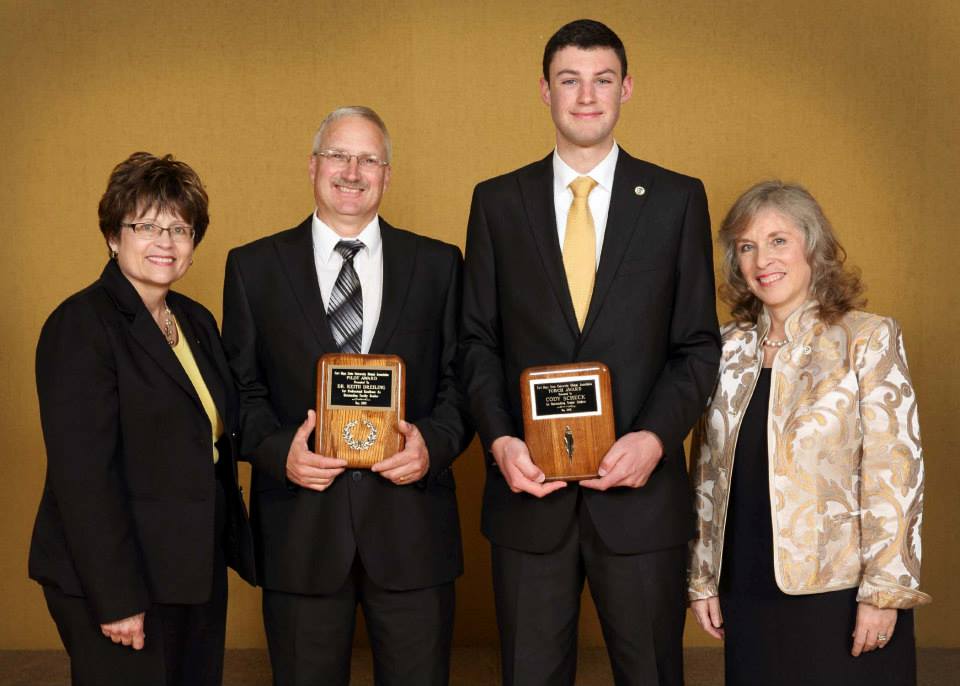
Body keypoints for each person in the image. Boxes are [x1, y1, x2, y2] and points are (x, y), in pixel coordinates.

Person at [459, 19, 720, 686]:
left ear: (626, 88)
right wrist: (500, 444)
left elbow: (696, 346)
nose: (586, 96)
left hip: (640, 502)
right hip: (529, 498)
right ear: (543, 91)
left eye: (602, 80)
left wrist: (657, 440)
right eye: (569, 81)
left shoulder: (676, 200)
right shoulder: (496, 203)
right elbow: (477, 343)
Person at [221, 106, 471, 686]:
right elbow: (239, 391)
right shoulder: (254, 268)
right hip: (301, 533)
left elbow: (464, 381)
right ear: (313, 166)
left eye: (369, 159)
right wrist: (278, 450)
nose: (352, 171)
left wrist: (432, 445)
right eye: (338, 154)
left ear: (387, 174)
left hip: (412, 533)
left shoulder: (438, 265)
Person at [688, 180, 931, 685]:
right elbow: (705, 472)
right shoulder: (724, 349)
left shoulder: (866, 338)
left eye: (778, 240)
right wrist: (702, 576)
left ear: (813, 247)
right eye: (747, 246)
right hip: (746, 581)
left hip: (841, 591)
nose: (762, 260)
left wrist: (884, 592)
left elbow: (896, 472)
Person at [29, 152, 256, 686]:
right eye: (147, 225)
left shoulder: (195, 322)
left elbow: (219, 432)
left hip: (190, 570)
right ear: (113, 235)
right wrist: (118, 600)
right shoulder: (81, 326)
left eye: (180, 228)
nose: (166, 241)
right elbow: (83, 480)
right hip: (116, 578)